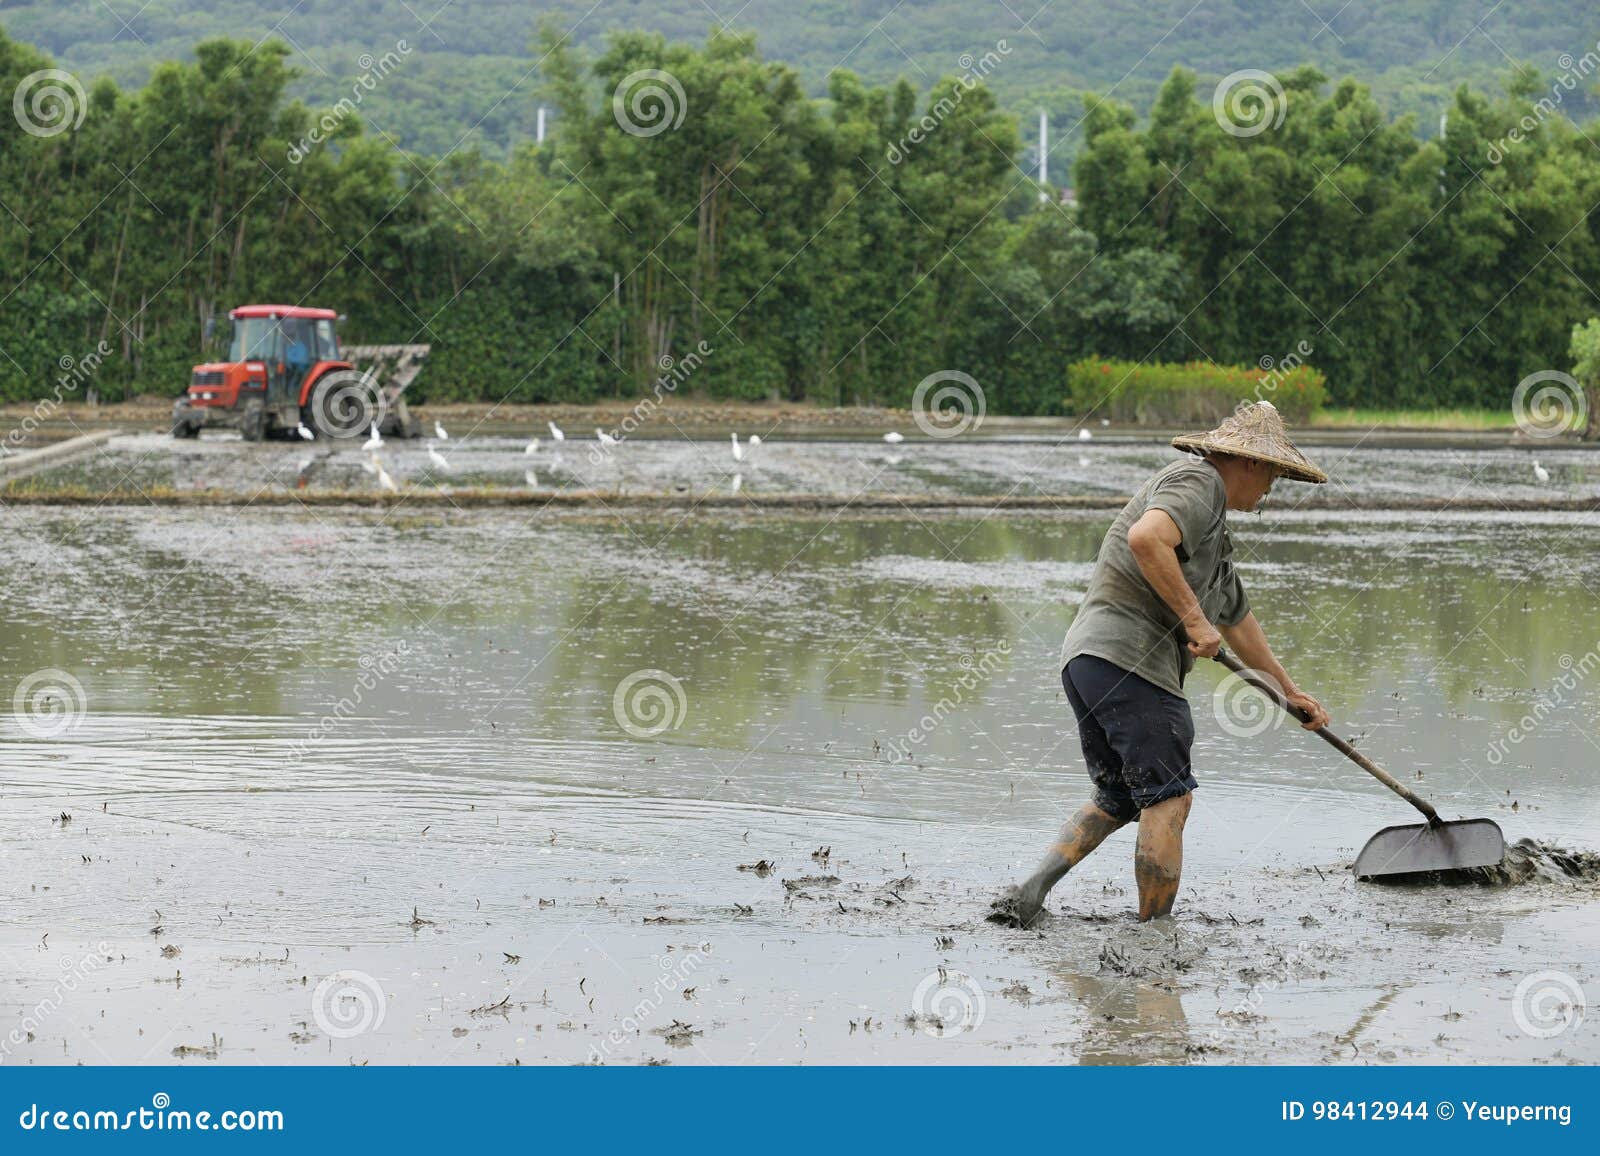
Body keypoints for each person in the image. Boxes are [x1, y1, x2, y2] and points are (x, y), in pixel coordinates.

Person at [990, 401, 1332, 928]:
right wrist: (1196, 623)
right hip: (1132, 663)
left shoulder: (1215, 540)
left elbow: (1239, 622)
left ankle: (1029, 892)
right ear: (1251, 464)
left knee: (1119, 796)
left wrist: (1288, 693)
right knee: (1169, 800)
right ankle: (1154, 932)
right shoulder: (1199, 484)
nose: (1270, 492)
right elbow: (1146, 539)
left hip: (1089, 663)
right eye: (1273, 478)